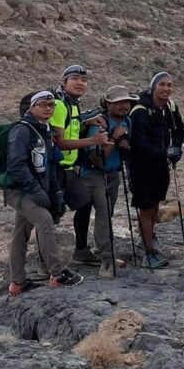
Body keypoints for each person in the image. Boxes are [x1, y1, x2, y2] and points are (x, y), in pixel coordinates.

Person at [4, 90, 82, 295]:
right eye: (43, 105)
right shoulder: (22, 131)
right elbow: (16, 166)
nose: (48, 108)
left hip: (34, 189)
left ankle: (18, 282)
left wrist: (56, 193)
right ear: (32, 108)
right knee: (44, 220)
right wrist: (36, 190)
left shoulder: (45, 131)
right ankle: (57, 273)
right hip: (19, 191)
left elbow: (50, 166)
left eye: (51, 105)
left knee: (21, 234)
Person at [50, 64, 110, 268]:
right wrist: (92, 141)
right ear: (64, 82)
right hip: (55, 169)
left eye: (84, 80)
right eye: (75, 79)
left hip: (67, 169)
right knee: (50, 215)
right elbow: (59, 142)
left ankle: (81, 252)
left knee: (84, 203)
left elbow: (71, 128)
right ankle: (45, 264)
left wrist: (86, 122)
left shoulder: (72, 105)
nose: (80, 83)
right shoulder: (59, 105)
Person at [128, 71, 184, 270]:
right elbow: (139, 143)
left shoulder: (170, 106)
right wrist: (165, 152)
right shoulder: (140, 111)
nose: (166, 88)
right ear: (153, 87)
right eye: (162, 84)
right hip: (141, 166)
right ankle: (149, 253)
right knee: (145, 207)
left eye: (169, 85)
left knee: (155, 203)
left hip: (160, 165)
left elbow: (179, 130)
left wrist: (176, 148)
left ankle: (147, 237)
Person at [80, 86, 138, 278]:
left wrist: (126, 145)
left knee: (107, 213)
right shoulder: (100, 124)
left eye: (126, 102)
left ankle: (101, 251)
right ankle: (107, 261)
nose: (124, 106)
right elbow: (98, 159)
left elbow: (127, 147)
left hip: (113, 174)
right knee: (104, 215)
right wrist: (114, 137)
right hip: (94, 174)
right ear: (108, 104)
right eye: (119, 102)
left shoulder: (127, 121)